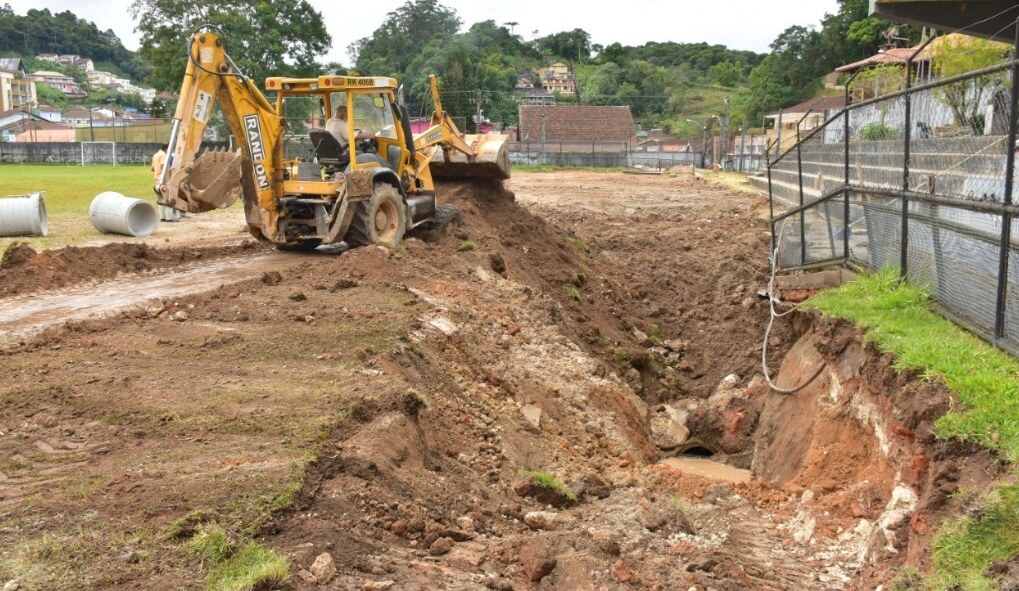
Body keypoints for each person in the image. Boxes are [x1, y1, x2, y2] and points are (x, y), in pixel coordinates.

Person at [152, 144, 180, 222]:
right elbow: (163, 166)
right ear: (166, 149)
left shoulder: (155, 155)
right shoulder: (163, 155)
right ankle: (169, 217)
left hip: (157, 177)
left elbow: (152, 168)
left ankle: (162, 216)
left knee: (160, 197)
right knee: (167, 196)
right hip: (163, 177)